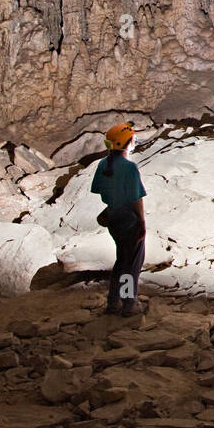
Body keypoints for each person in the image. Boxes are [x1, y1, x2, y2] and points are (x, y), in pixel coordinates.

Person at [90, 121, 148, 316]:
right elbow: (135, 198)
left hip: (113, 218)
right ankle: (128, 303)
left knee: (121, 260)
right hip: (128, 219)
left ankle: (113, 301)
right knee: (131, 263)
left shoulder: (103, 164)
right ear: (128, 143)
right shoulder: (129, 167)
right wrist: (141, 222)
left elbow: (100, 190)